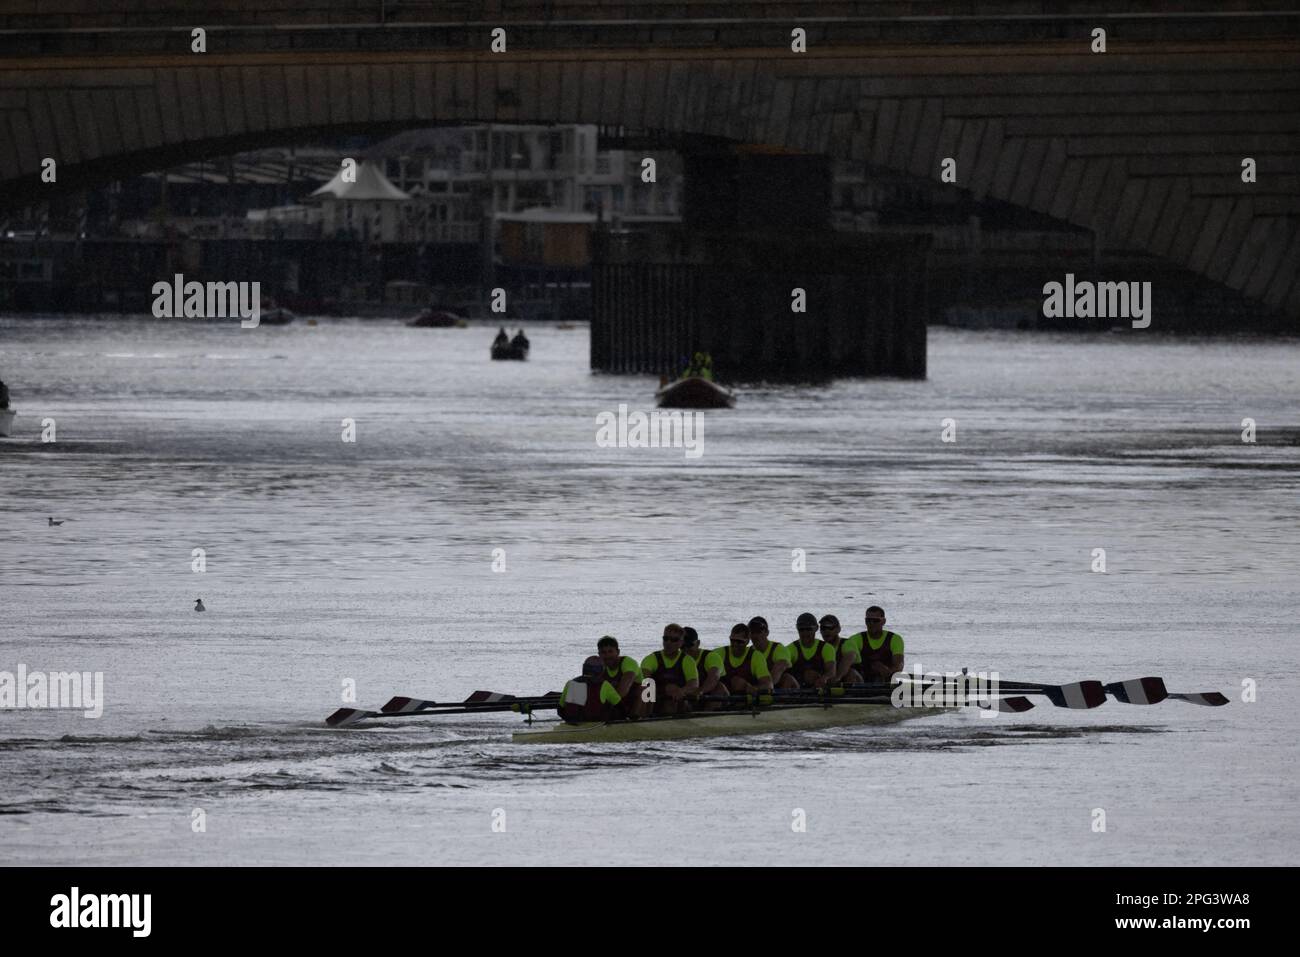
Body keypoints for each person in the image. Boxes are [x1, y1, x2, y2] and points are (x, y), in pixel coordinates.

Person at [640, 623, 699, 714]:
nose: (668, 642)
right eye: (665, 639)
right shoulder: (652, 658)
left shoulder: (687, 660)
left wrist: (681, 691)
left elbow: (693, 684)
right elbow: (645, 679)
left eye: (674, 640)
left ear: (681, 643)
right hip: (656, 699)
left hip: (678, 701)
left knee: (673, 693)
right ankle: (645, 717)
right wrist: (664, 689)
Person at [557, 656, 622, 723]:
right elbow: (620, 707)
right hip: (596, 725)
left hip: (572, 724)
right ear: (601, 670)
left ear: (584, 668)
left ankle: (575, 721)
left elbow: (560, 710)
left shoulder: (571, 683)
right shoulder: (604, 684)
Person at [848, 606, 905, 682]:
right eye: (868, 620)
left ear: (883, 621)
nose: (871, 623)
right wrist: (872, 665)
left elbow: (899, 664)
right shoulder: (855, 639)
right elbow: (848, 663)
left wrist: (888, 671)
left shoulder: (895, 639)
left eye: (875, 620)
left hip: (886, 680)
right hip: (862, 680)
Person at [596, 635, 645, 718]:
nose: (607, 656)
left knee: (641, 689)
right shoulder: (600, 668)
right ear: (599, 654)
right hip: (620, 706)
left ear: (618, 652)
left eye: (610, 651)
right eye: (603, 652)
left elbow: (622, 692)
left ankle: (635, 718)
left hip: (637, 704)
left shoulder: (628, 663)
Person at [717, 622, 772, 695]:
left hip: (746, 698)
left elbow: (768, 685)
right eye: (732, 640)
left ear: (747, 641)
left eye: (739, 641)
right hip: (723, 697)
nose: (735, 644)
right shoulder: (719, 653)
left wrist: (750, 688)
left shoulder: (755, 656)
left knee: (738, 682)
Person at [785, 612, 838, 688]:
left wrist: (824, 678)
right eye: (801, 629)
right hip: (797, 688)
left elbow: (831, 672)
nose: (805, 633)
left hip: (820, 686)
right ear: (797, 628)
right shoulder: (790, 648)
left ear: (816, 628)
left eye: (809, 629)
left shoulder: (827, 648)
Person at [682, 627, 728, 707]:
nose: (686, 649)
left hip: (715, 697)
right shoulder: (679, 659)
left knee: (719, 686)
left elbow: (713, 678)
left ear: (698, 643)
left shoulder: (711, 657)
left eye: (689, 645)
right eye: (682, 646)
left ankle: (708, 714)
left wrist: (700, 691)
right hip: (693, 699)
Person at [748, 616, 794, 690]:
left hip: (778, 687)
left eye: (759, 632)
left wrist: (766, 686)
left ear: (767, 633)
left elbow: (780, 668)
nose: (756, 636)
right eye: (752, 632)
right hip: (760, 688)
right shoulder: (749, 652)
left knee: (787, 678)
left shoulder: (778, 649)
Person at [818, 614, 863, 686]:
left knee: (851, 673)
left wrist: (837, 677)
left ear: (838, 629)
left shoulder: (848, 643)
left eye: (830, 627)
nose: (826, 631)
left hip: (853, 681)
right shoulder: (821, 647)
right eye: (823, 628)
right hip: (832, 682)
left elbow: (848, 659)